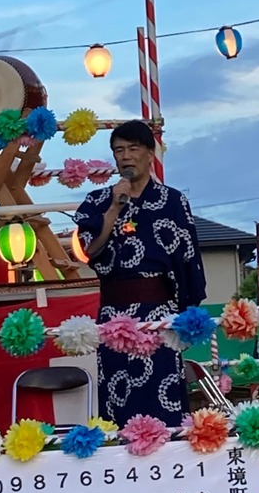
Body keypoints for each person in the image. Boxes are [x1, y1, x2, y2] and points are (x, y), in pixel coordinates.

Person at [74, 120, 206, 427]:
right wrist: (113, 210)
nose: (126, 156)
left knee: (163, 390)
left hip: (159, 311)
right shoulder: (97, 201)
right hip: (114, 314)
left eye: (133, 148)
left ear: (150, 153)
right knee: (118, 396)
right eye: (119, 150)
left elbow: (189, 259)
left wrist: (188, 312)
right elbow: (89, 250)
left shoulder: (172, 202)